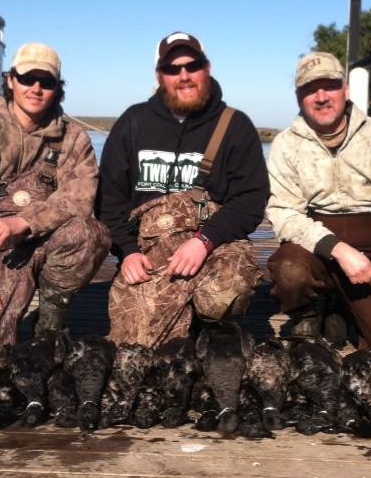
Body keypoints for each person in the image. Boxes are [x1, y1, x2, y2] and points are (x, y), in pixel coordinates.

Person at [98, 32, 268, 347]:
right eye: (173, 68)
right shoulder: (132, 122)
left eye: (193, 65)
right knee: (133, 348)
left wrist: (205, 241)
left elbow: (251, 199)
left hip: (214, 241)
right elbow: (109, 201)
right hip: (149, 250)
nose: (184, 75)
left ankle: (213, 330)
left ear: (208, 67)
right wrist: (127, 252)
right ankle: (179, 321)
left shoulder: (235, 124)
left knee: (224, 293)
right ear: (160, 75)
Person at [265, 51, 371, 349]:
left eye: (330, 86)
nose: (321, 96)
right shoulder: (285, 144)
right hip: (314, 251)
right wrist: (338, 250)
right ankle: (308, 312)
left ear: (345, 89)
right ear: (299, 97)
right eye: (310, 89)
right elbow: (283, 212)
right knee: (289, 269)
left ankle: (342, 308)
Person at [0, 42, 110, 347]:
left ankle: (49, 324)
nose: (35, 88)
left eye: (46, 82)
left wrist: (23, 222)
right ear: (10, 80)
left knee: (90, 233)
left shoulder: (73, 138)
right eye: (26, 78)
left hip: (48, 239)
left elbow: (80, 198)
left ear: (57, 88)